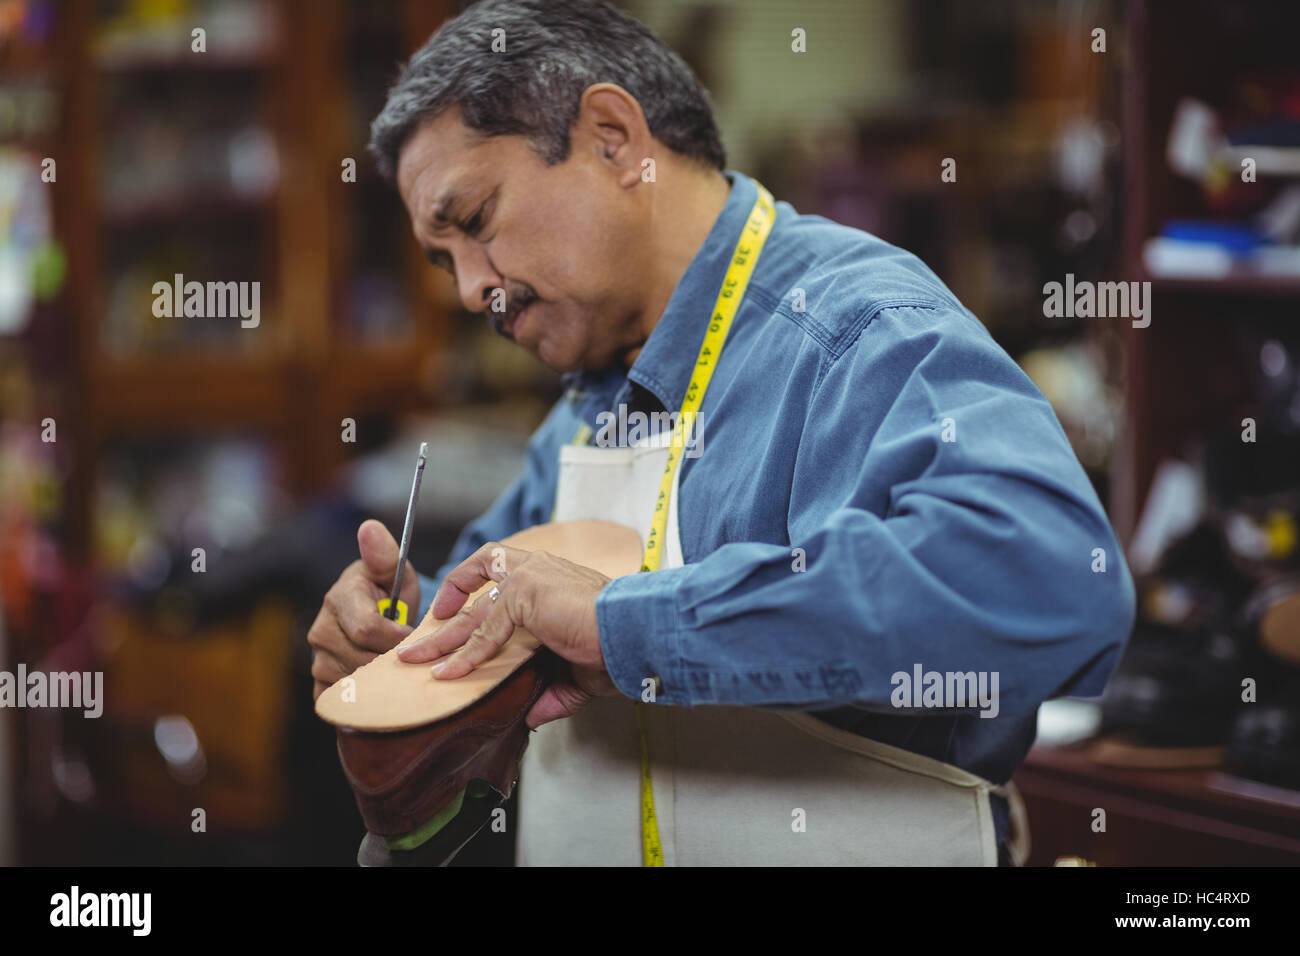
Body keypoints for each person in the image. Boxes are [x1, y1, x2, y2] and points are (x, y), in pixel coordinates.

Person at [307, 0, 1135, 866]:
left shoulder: (855, 328)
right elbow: (489, 620)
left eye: (474, 220)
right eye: (443, 261)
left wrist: (627, 628)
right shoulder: (586, 414)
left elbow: (1052, 582)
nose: (470, 288)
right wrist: (404, 648)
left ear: (613, 138)